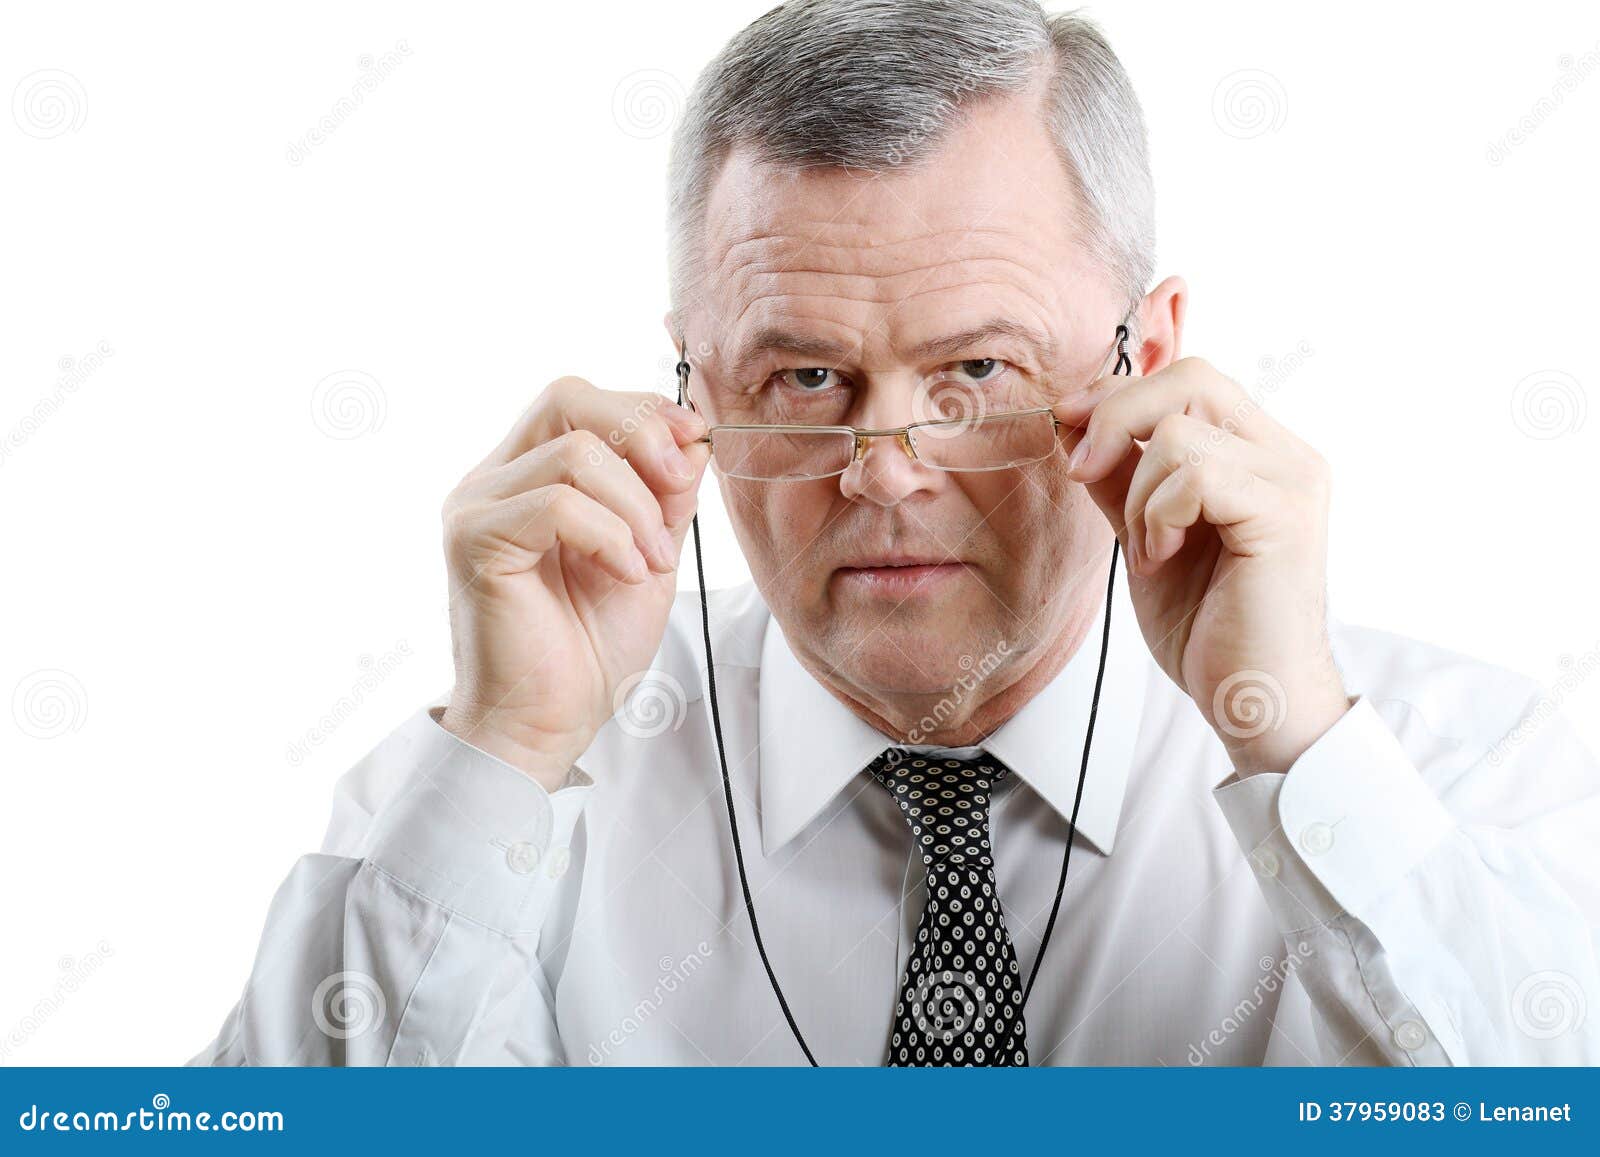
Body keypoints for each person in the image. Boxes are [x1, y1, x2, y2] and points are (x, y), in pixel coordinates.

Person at [195, 0, 1599, 1066]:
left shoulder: (1458, 770)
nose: (884, 474)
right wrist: (507, 750)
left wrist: (1290, 734)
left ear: (1149, 360)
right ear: (692, 391)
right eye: (805, 377)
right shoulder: (489, 797)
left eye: (976, 371)